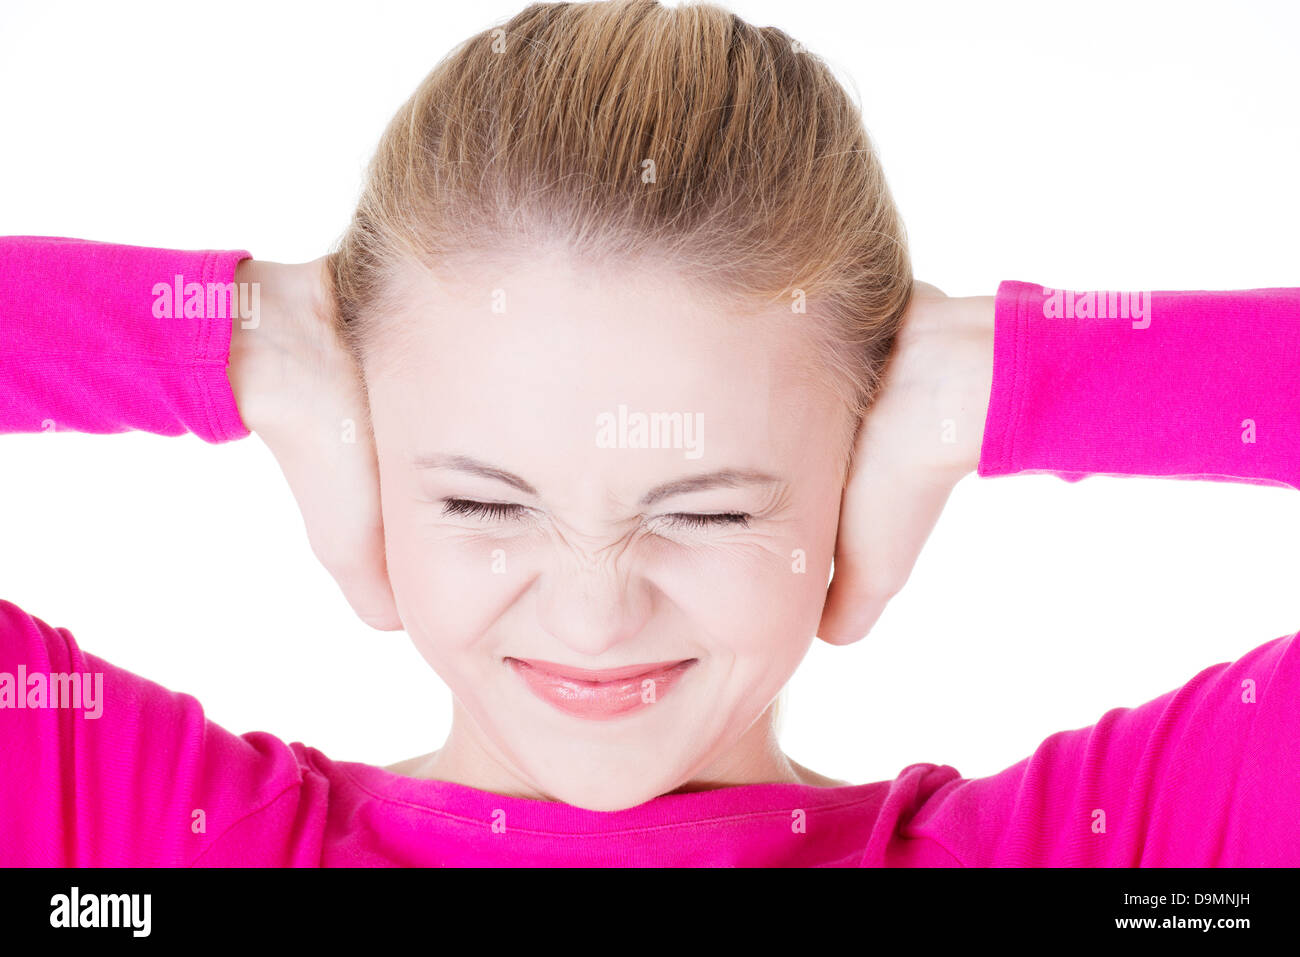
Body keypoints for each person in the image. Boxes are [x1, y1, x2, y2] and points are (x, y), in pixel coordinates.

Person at [1, 0, 1296, 865]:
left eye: (708, 508)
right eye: (484, 502)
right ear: (366, 465)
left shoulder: (1110, 851)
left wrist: (1009, 375)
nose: (593, 614)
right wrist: (232, 339)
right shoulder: (151, 834)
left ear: (859, 479)